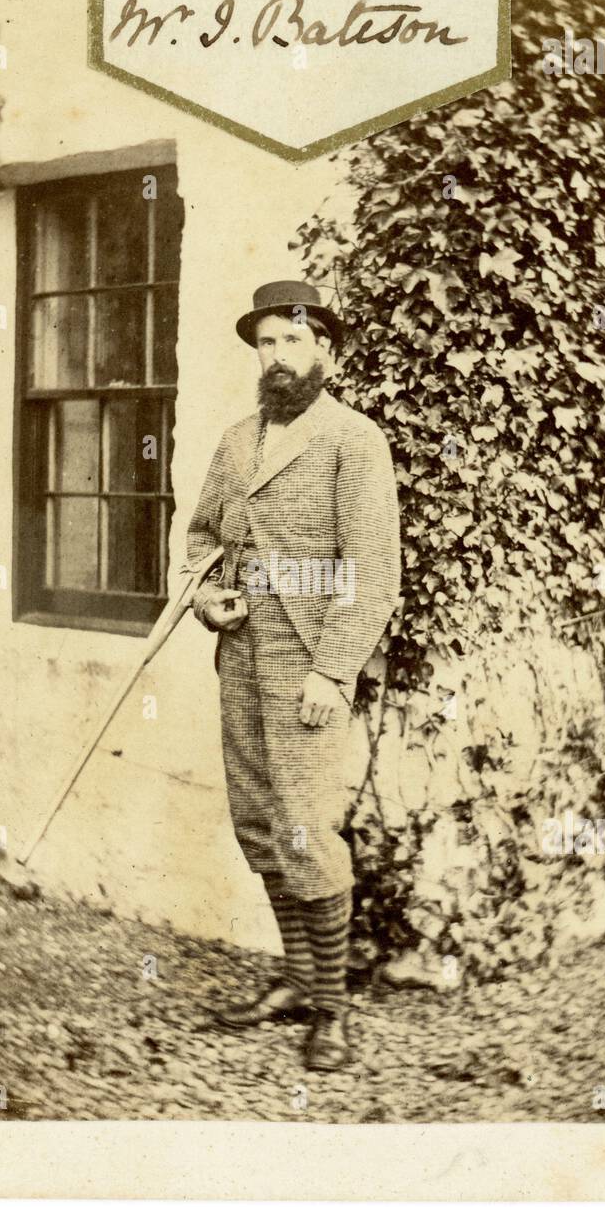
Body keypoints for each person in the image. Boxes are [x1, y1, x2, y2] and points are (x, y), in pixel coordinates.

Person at [186, 280, 401, 1071]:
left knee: (308, 828)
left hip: (311, 661)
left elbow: (373, 576)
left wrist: (333, 671)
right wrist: (209, 598)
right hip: (241, 658)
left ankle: (332, 1013)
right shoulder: (238, 441)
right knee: (260, 825)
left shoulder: (353, 441)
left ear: (326, 352)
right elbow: (202, 536)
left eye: (292, 340)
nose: (277, 356)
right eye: (266, 342)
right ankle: (297, 980)